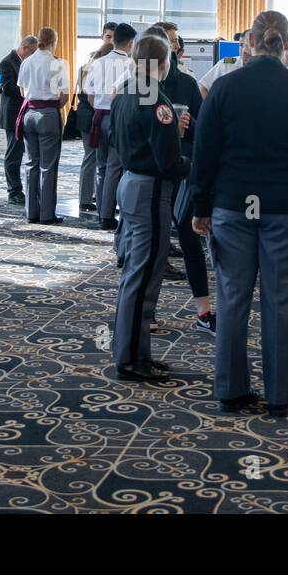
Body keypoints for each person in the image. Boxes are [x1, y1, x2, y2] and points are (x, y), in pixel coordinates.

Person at [189, 10, 288, 417]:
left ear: (248, 43)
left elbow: (203, 153)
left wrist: (199, 206)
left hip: (232, 202)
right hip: (286, 204)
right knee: (281, 304)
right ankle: (279, 396)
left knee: (231, 299)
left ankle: (230, 391)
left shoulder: (225, 87)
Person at [110, 33, 190, 381]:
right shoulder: (157, 99)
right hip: (149, 188)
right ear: (164, 62)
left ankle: (137, 352)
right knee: (142, 275)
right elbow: (168, 161)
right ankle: (129, 358)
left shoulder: (127, 89)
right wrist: (195, 167)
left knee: (137, 272)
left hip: (130, 181)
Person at [154, 22, 213, 332]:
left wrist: (185, 128)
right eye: (166, 43)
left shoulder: (187, 83)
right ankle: (145, 311)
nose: (172, 48)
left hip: (185, 168)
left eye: (174, 43)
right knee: (150, 245)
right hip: (152, 173)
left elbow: (203, 128)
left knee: (190, 239)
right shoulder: (140, 86)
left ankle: (203, 309)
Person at [85, 22, 137, 230]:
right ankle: (108, 215)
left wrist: (99, 107)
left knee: (102, 166)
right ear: (131, 42)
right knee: (116, 167)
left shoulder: (97, 62)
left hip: (99, 117)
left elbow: (89, 94)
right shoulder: (132, 65)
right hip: (119, 118)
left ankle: (102, 212)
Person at [17, 26, 70, 224]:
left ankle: (31, 212)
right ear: (53, 41)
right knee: (48, 166)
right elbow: (64, 95)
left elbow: (22, 92)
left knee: (31, 164)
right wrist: (51, 107)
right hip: (48, 113)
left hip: (29, 113)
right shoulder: (57, 64)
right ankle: (47, 213)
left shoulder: (27, 61)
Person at [76, 26, 116, 212]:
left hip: (97, 114)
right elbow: (85, 92)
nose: (110, 40)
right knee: (93, 157)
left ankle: (96, 196)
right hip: (91, 115)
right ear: (102, 37)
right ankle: (86, 198)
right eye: (108, 36)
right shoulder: (90, 64)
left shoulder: (108, 63)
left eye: (113, 37)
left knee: (100, 160)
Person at [0, 35, 37, 206]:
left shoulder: (23, 62)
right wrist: (27, 90)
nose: (33, 55)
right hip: (12, 115)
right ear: (24, 47)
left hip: (23, 114)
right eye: (32, 51)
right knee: (13, 154)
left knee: (20, 152)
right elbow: (6, 88)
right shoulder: (7, 62)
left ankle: (19, 188)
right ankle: (13, 190)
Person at [199, 29, 251, 97]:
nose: (244, 51)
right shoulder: (228, 62)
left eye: (248, 46)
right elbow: (204, 87)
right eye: (241, 45)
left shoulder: (264, 69)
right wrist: (210, 107)